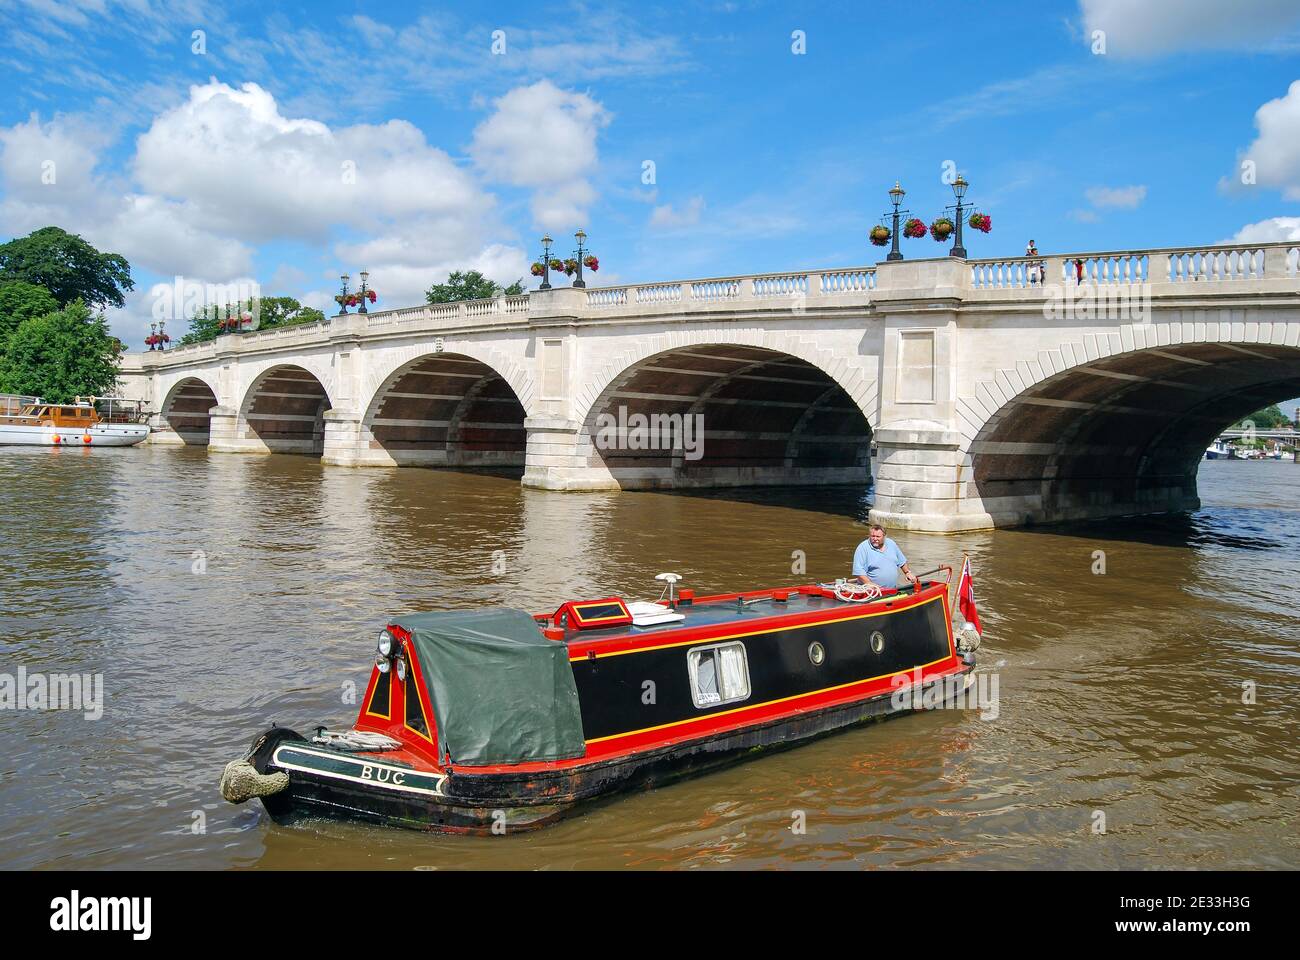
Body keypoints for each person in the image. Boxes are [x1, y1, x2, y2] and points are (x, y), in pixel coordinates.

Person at [852, 523, 917, 591]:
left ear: (884, 536)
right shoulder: (862, 548)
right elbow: (858, 571)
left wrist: (907, 572)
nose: (875, 539)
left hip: (892, 590)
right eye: (872, 536)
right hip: (871, 592)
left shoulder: (891, 543)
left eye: (878, 536)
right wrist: (869, 583)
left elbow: (902, 561)